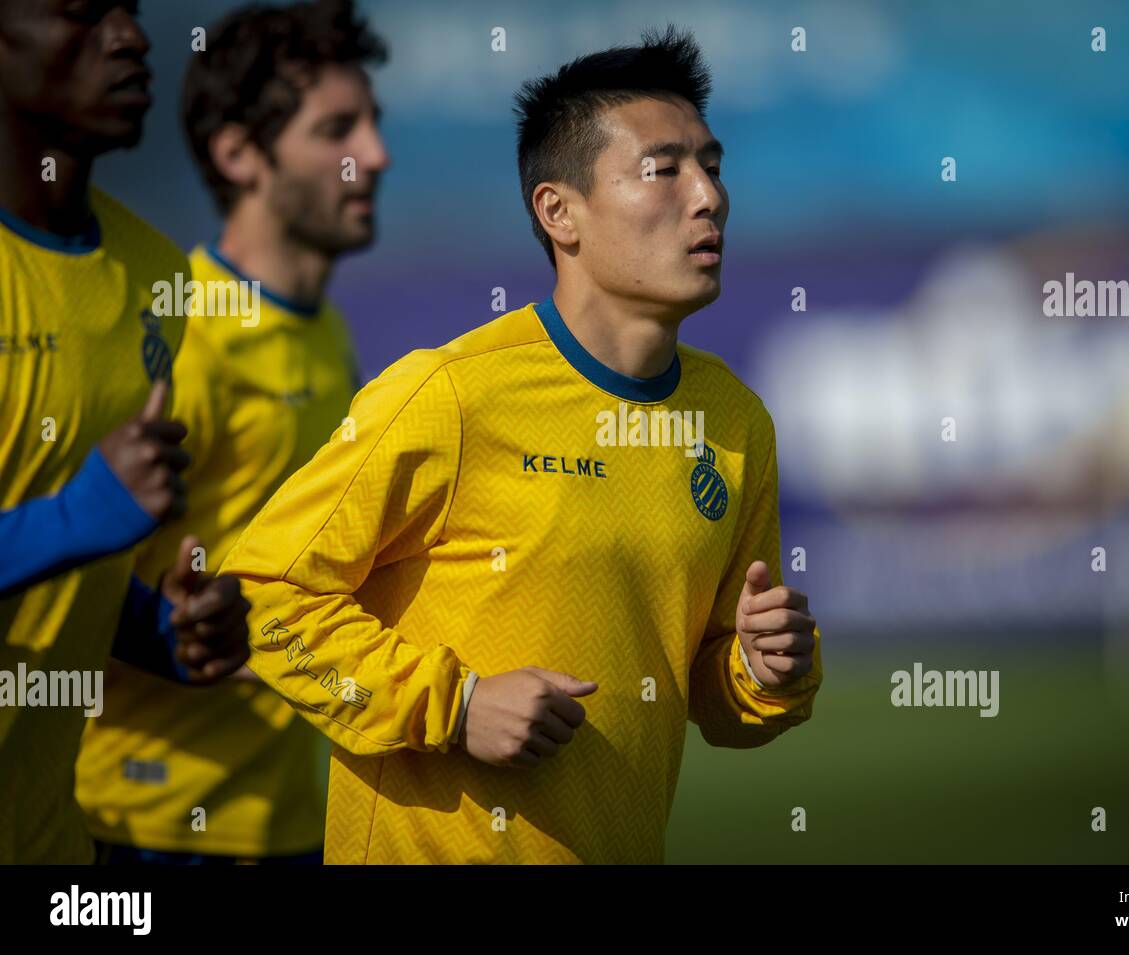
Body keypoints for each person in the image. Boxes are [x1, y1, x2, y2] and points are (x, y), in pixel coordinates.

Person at [221, 26, 823, 863]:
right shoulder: (451, 393)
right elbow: (263, 598)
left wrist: (764, 669)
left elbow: (717, 695)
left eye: (713, 165)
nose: (708, 196)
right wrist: (457, 706)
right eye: (664, 169)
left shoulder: (733, 419)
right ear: (559, 211)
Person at [77, 0, 387, 865]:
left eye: (372, 122)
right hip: (141, 832)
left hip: (286, 825)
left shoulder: (324, 332)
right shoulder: (183, 340)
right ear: (239, 154)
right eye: (338, 129)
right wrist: (187, 633)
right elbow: (62, 600)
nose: (377, 154)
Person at [0, 0, 249, 864]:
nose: (132, 39)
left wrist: (163, 629)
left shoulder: (156, 273)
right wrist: (81, 517)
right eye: (79, 11)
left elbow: (58, 578)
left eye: (132, 11)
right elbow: (73, 520)